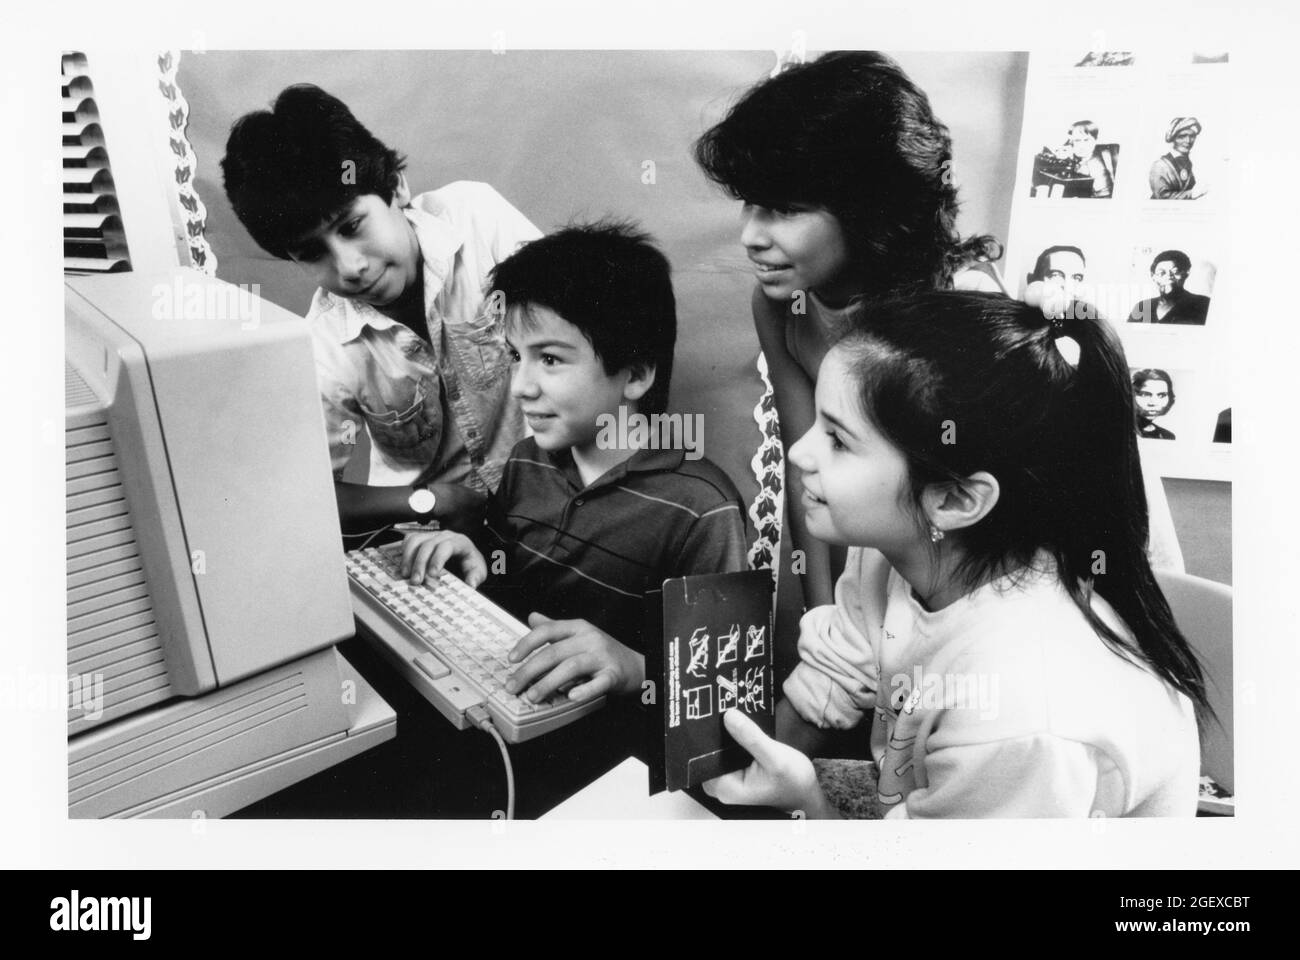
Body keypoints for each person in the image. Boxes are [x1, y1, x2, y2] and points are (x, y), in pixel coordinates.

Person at [703, 292, 1207, 818]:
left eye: (839, 440)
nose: (799, 453)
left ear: (955, 500)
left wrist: (808, 804)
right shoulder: (891, 552)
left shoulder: (1020, 709)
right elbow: (835, 675)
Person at [694, 51, 1003, 610]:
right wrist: (824, 623)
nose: (751, 235)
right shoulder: (779, 307)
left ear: (870, 211)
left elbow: (984, 517)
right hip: (872, 567)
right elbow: (806, 470)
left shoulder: (964, 310)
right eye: (749, 204)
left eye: (784, 209)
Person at [398, 223, 748, 712]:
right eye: (516, 356)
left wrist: (632, 668)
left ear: (636, 374)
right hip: (520, 716)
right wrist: (470, 557)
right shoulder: (526, 462)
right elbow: (510, 591)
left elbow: (726, 691)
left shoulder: (701, 509)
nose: (520, 385)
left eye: (550, 360)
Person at [220, 84, 541, 535]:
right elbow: (307, 493)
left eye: (352, 226)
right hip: (432, 541)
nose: (349, 267)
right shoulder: (325, 344)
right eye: (312, 254)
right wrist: (433, 500)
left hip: (553, 515)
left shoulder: (478, 218)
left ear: (396, 186)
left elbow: (587, 335)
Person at [1128, 250, 1211, 325]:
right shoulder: (1142, 307)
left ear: (1186, 274)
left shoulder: (1202, 304)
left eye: (1175, 272)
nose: (1169, 277)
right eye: (1162, 273)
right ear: (1153, 276)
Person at [1150, 117, 1206, 199]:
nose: (1188, 141)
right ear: (1173, 138)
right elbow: (1162, 197)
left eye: (1192, 136)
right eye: (1182, 136)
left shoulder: (1187, 163)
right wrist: (1192, 194)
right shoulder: (1159, 166)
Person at [1132, 369, 1177, 440]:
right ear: (1132, 395)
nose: (1153, 403)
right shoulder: (1120, 431)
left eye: (1161, 395)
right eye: (1144, 395)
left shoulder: (1167, 436)